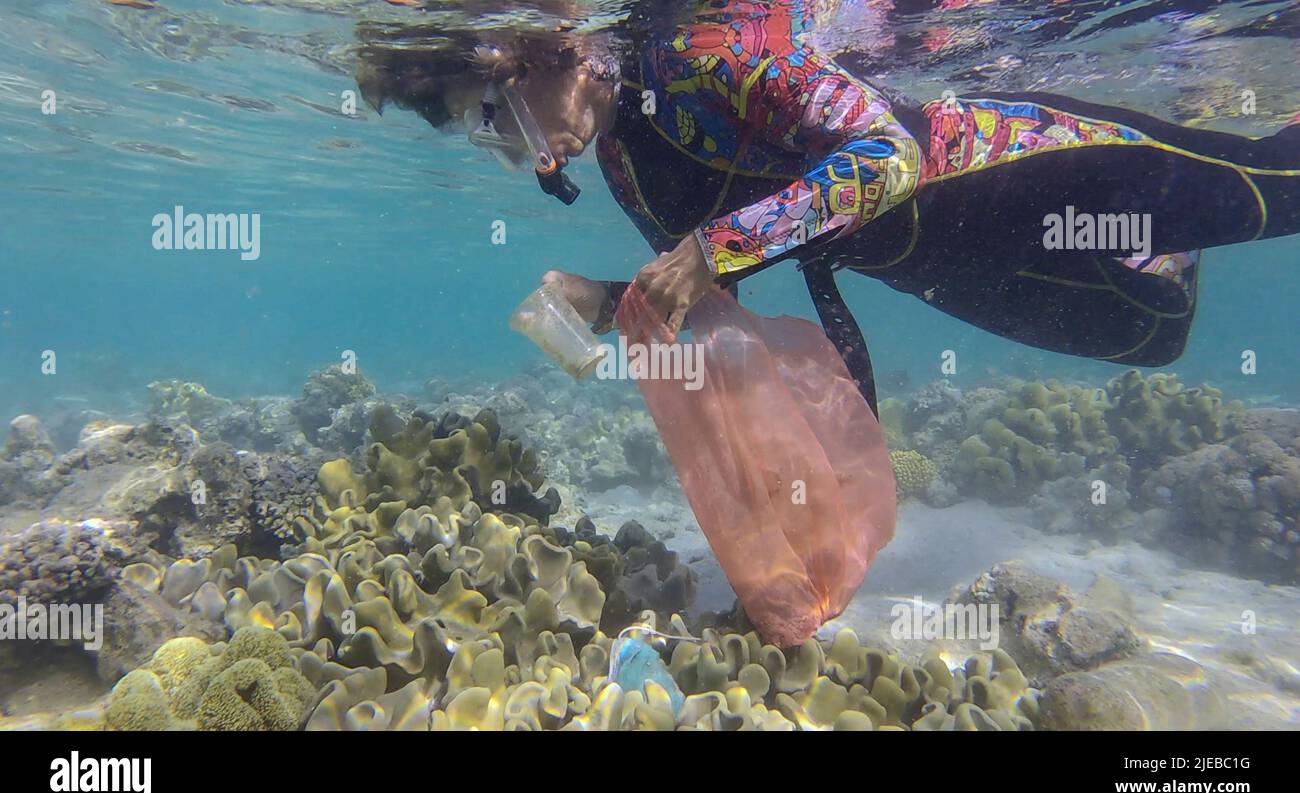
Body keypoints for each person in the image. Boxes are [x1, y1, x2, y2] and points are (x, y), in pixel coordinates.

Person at [354, 0, 1300, 411]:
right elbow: (710, 287)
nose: (516, 152)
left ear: (543, 52)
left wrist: (714, 249)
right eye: (482, 138)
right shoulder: (623, 165)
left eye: (494, 115)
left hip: (1011, 171)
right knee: (1154, 332)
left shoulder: (703, 49)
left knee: (1279, 189)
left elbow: (887, 151)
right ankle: (1168, 232)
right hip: (927, 261)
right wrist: (611, 299)